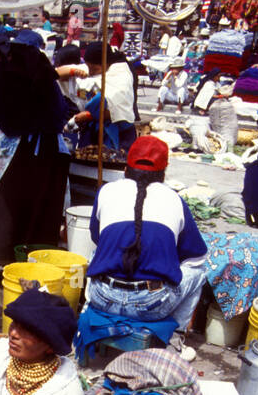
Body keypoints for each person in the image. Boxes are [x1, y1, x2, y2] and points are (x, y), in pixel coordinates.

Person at [85, 135, 207, 335]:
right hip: (151, 306)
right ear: (163, 173)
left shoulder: (106, 191)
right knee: (200, 272)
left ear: (126, 169)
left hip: (102, 299)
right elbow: (196, 257)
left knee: (96, 252)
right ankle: (176, 336)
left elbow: (97, 238)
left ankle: (87, 308)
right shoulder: (174, 199)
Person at [0, 31, 71, 265]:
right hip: (47, 153)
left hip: (10, 154)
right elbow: (60, 115)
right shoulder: (46, 75)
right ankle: (36, 268)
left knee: (5, 213)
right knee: (39, 212)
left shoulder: (2, 73)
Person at [73, 42, 136, 152]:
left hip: (120, 131)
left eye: (94, 69)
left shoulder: (120, 74)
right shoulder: (96, 71)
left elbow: (115, 105)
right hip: (95, 130)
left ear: (106, 63)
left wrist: (89, 115)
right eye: (88, 68)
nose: (91, 72)